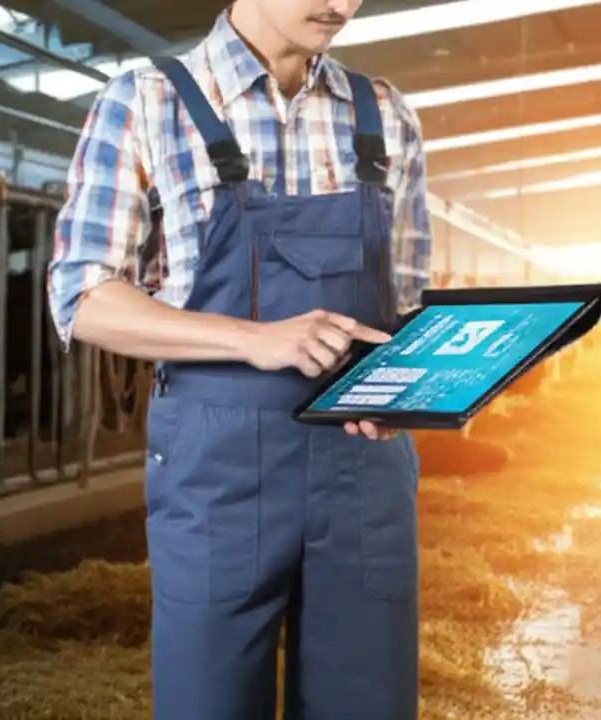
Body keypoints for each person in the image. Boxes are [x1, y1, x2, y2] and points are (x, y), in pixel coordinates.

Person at [47, 0, 431, 716]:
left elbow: (407, 303)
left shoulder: (385, 114)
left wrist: (427, 377)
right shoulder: (148, 101)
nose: (342, 3)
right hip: (220, 475)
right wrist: (253, 338)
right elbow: (83, 296)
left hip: (362, 476)